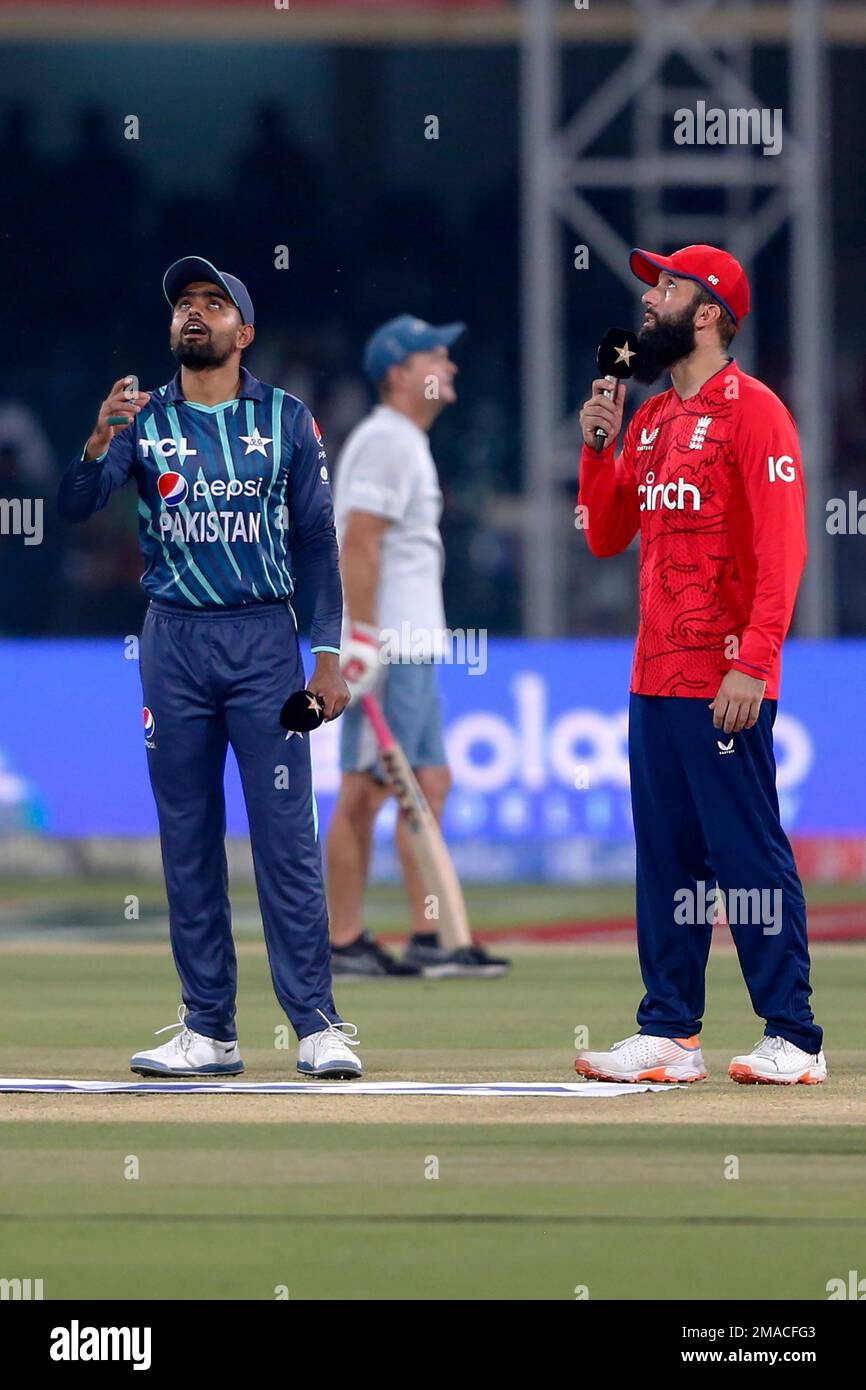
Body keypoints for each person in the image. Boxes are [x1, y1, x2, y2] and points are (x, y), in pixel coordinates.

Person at [57, 256, 362, 1081]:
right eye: (184, 304)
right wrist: (95, 440)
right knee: (187, 839)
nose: (194, 314)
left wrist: (327, 659)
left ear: (245, 331)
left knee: (285, 839)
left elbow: (314, 545)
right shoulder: (143, 419)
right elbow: (79, 510)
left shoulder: (290, 419)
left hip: (266, 645)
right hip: (174, 645)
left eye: (213, 303)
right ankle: (209, 1029)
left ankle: (318, 1025)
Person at [574, 244, 825, 1086]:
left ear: (710, 312)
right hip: (654, 676)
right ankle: (671, 1033)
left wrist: (755, 662)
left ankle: (794, 1034)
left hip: (726, 678)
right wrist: (599, 448)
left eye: (669, 288)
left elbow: (785, 546)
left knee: (746, 853)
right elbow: (608, 535)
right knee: (668, 856)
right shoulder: (649, 420)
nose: (651, 301)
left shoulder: (756, 413)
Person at [327, 314, 510, 980]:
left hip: (409, 643)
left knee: (425, 782)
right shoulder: (387, 441)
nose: (450, 366)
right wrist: (365, 639)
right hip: (392, 647)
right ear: (399, 374)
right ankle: (346, 939)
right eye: (436, 356)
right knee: (369, 791)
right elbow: (360, 541)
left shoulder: (403, 440)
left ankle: (429, 936)